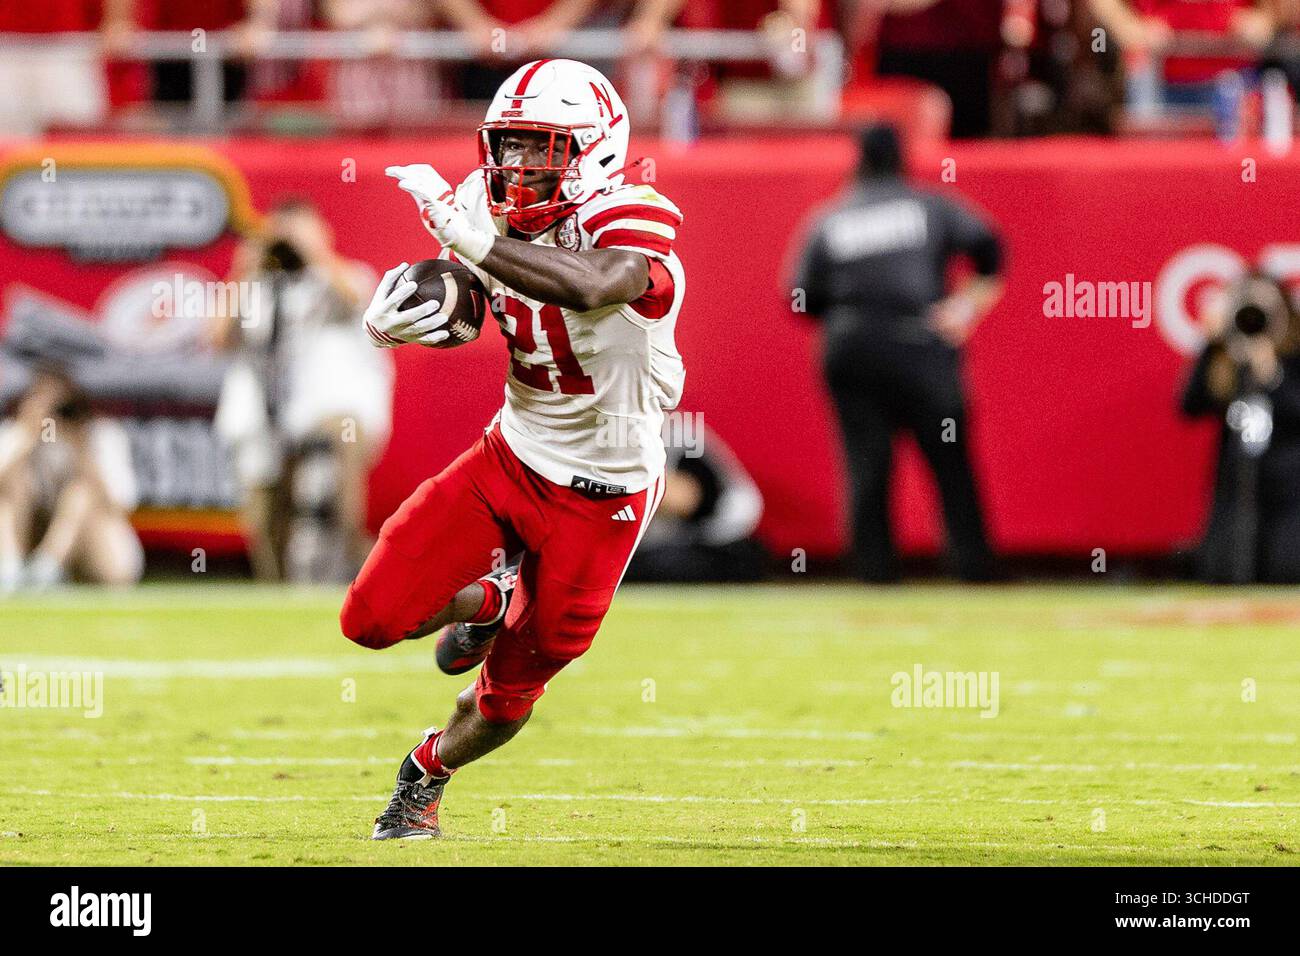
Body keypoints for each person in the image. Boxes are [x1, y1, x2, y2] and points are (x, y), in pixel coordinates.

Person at [341, 58, 685, 839]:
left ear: (595, 150)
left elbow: (602, 282)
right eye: (511, 145)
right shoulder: (483, 212)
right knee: (369, 617)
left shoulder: (634, 214)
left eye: (541, 148)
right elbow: (462, 296)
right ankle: (495, 598)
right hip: (512, 455)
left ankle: (425, 772)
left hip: (608, 489)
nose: (519, 167)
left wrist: (474, 243)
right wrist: (396, 318)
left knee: (507, 697)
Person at [790, 123, 1004, 583]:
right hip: (920, 344)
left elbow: (800, 296)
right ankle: (973, 568)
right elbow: (991, 248)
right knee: (950, 460)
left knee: (867, 465)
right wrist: (965, 306)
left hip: (851, 350)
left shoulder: (832, 216)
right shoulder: (928, 204)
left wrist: (851, 317)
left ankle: (873, 573)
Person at [211, 197, 392, 582]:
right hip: (284, 416)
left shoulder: (350, 274)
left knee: (335, 484)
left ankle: (356, 574)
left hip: (344, 412)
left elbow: (354, 296)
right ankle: (280, 592)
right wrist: (245, 269)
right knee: (270, 510)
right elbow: (217, 339)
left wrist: (314, 254)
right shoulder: (265, 288)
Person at [1181, 271, 1300, 582]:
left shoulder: (1294, 360)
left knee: (1285, 570)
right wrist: (1212, 343)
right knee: (1221, 572)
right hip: (1235, 489)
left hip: (1288, 492)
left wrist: (1272, 375)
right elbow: (1190, 406)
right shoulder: (1227, 357)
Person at [0, 366, 143, 594]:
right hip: (25, 534)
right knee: (9, 494)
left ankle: (47, 568)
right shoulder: (14, 433)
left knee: (81, 494)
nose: (52, 417)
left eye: (59, 407)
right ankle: (8, 569)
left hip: (89, 537)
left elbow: (122, 503)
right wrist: (27, 438)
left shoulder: (101, 434)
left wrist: (82, 451)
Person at [624, 423, 766, 582]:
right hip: (666, 545)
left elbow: (683, 498)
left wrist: (614, 487)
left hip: (722, 542)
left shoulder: (673, 434)